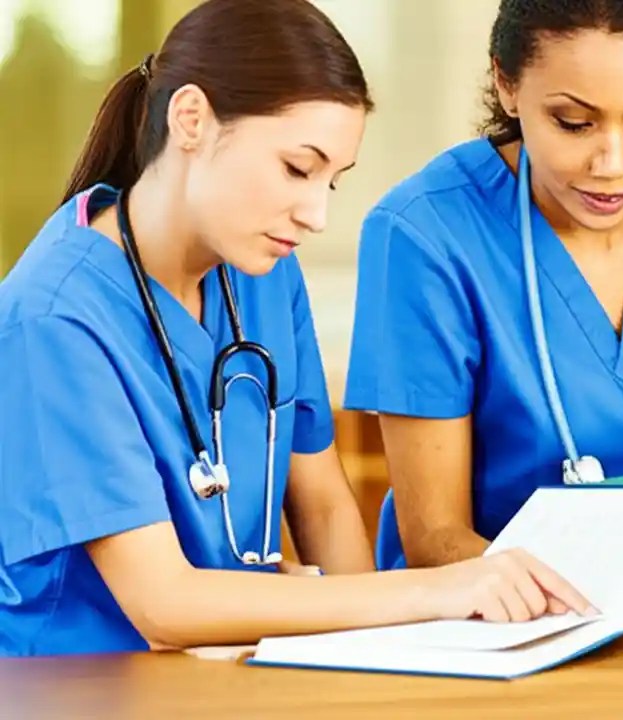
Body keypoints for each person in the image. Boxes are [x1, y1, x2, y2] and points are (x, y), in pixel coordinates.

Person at [0, 0, 592, 658]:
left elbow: (325, 506)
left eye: (332, 183)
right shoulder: (54, 318)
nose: (314, 215)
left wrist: (397, 664)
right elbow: (164, 604)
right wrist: (438, 591)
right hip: (82, 685)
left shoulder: (260, 269)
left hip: (220, 678)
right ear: (190, 119)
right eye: (295, 168)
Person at [343, 0, 623, 616]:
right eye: (573, 123)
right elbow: (434, 542)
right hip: (504, 634)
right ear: (507, 85)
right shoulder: (425, 232)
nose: (612, 165)